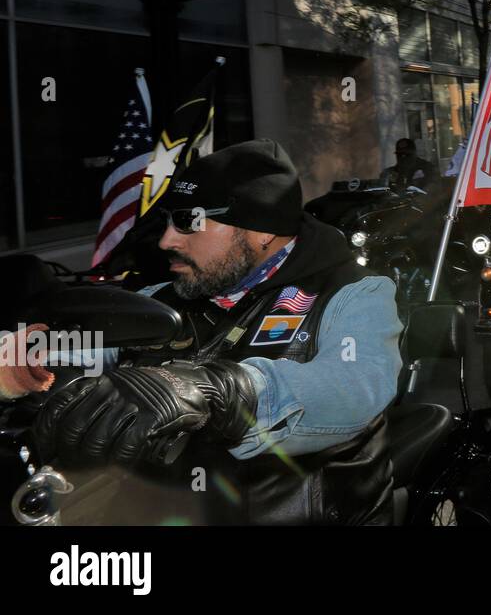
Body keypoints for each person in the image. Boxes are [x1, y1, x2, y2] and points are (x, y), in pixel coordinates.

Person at [32, 139, 403, 524]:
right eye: (167, 221)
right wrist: (29, 361)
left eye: (189, 221)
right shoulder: (157, 300)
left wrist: (220, 392)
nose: (167, 241)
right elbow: (78, 348)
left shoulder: (355, 294)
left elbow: (356, 386)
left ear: (261, 230)